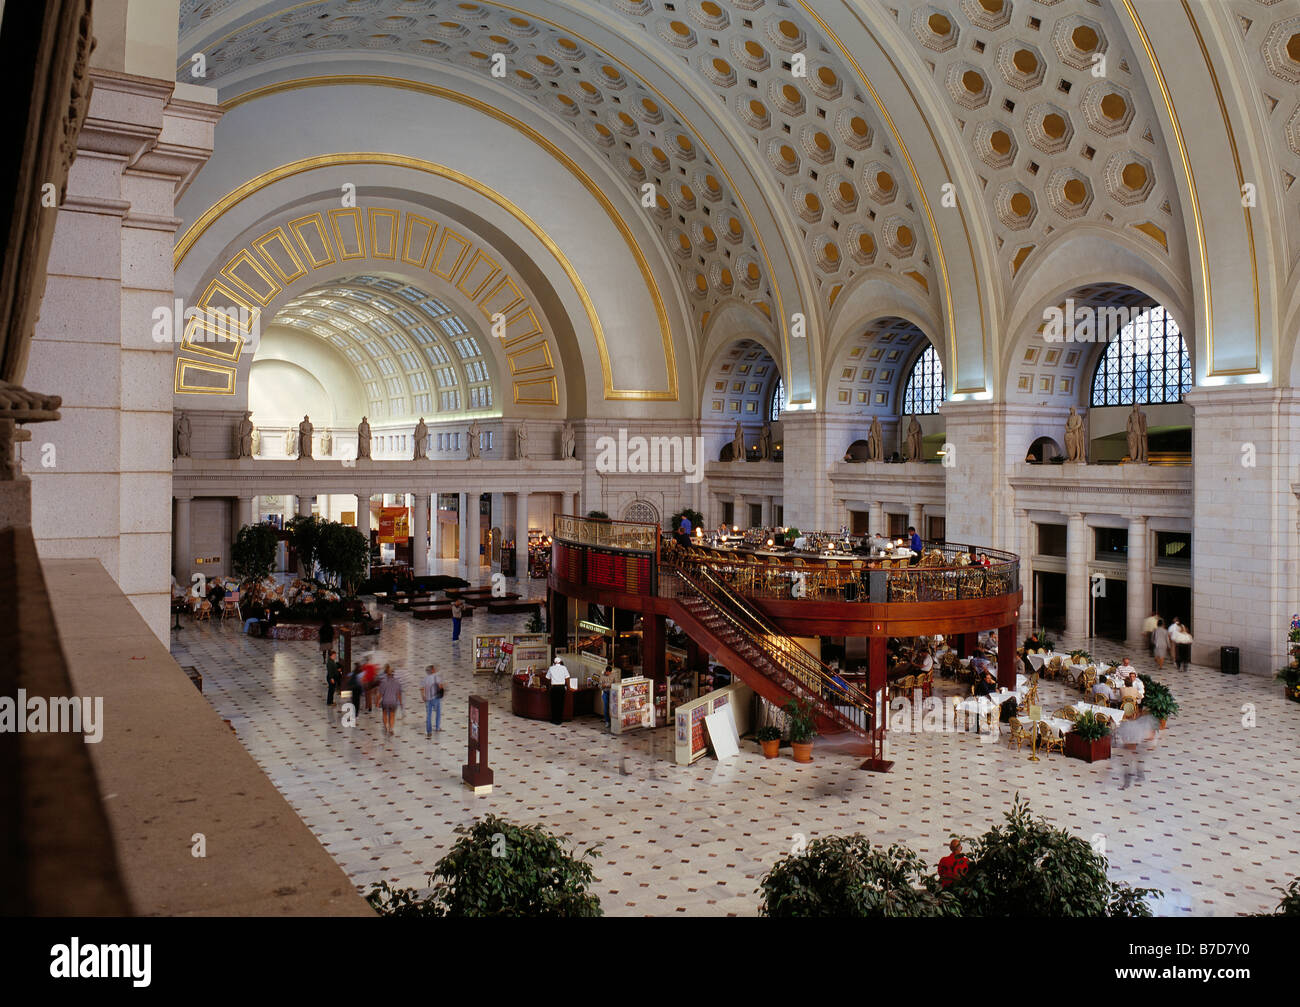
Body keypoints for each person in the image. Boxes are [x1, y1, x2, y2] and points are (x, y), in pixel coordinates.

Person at [377, 663, 403, 734]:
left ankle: (386, 727)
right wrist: (400, 703)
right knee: (392, 715)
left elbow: (380, 694)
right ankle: (391, 728)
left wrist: (377, 702)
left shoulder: (383, 682)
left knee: (384, 714)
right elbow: (399, 694)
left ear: (387, 675)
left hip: (385, 701)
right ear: (393, 674)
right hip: (393, 702)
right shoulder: (397, 682)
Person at [546, 657, 570, 725]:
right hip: (561, 688)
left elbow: (548, 678)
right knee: (560, 704)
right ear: (560, 662)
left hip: (554, 688)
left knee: (554, 704)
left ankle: (554, 719)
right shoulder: (564, 668)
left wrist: (548, 687)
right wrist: (569, 687)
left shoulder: (551, 668)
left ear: (554, 662)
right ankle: (559, 720)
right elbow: (567, 678)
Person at [421, 663, 444, 735]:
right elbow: (440, 687)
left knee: (429, 715)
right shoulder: (437, 677)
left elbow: (422, 688)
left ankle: (429, 730)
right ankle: (437, 727)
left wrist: (423, 696)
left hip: (428, 699)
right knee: (438, 712)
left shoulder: (425, 679)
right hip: (436, 698)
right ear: (433, 670)